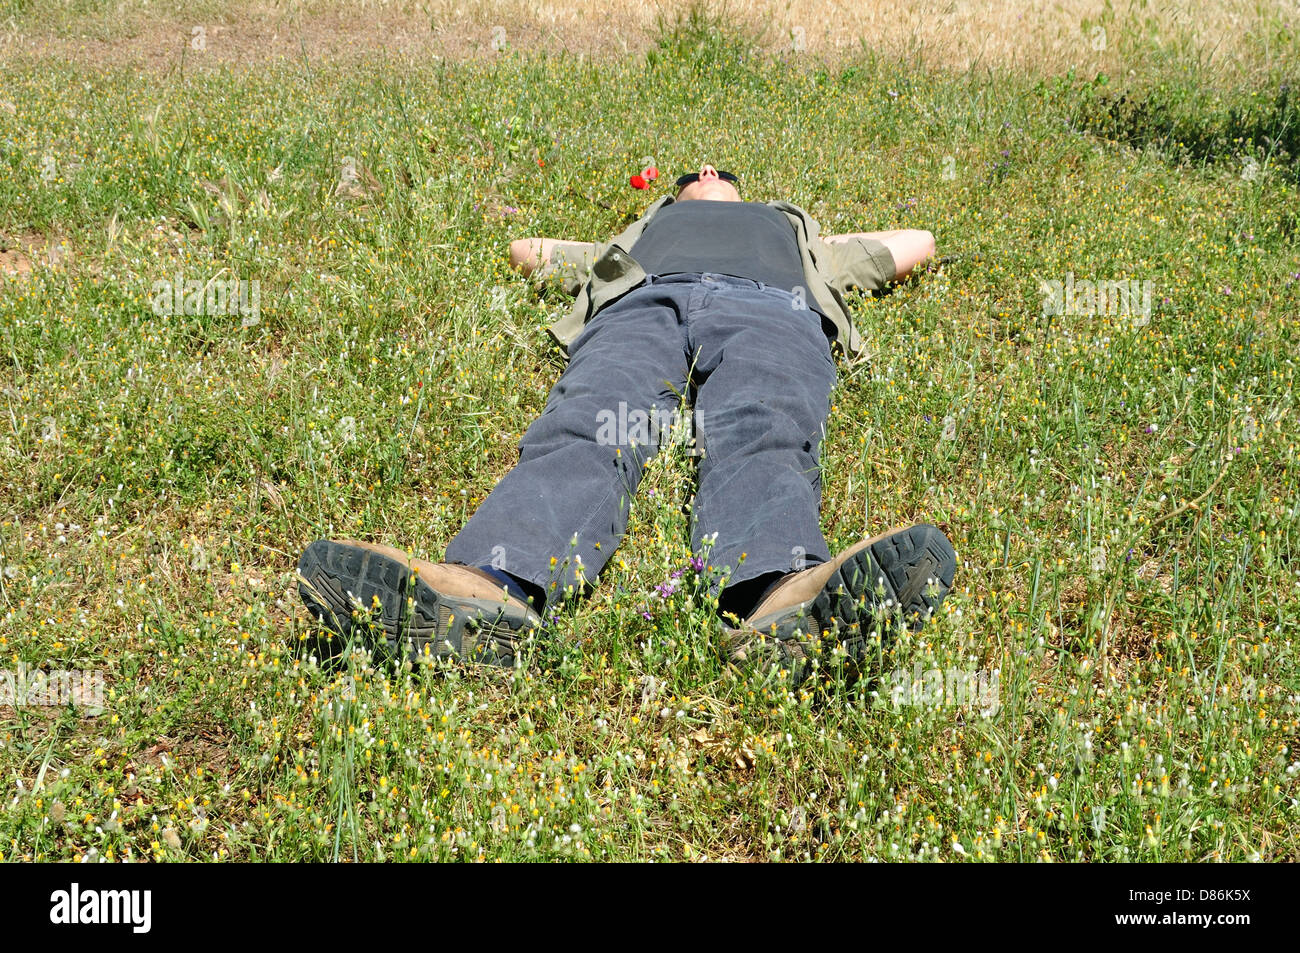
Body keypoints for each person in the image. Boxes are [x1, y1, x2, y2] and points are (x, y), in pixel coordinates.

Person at [298, 163, 956, 686]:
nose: (705, 169)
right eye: (693, 174)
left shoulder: (789, 228)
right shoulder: (640, 233)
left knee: (762, 422)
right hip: (642, 304)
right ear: (674, 196)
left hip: (769, 309)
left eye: (719, 169)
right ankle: (490, 588)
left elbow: (916, 243)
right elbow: (525, 250)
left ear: (740, 189)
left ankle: (775, 600)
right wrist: (622, 240)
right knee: (587, 420)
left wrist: (817, 240)